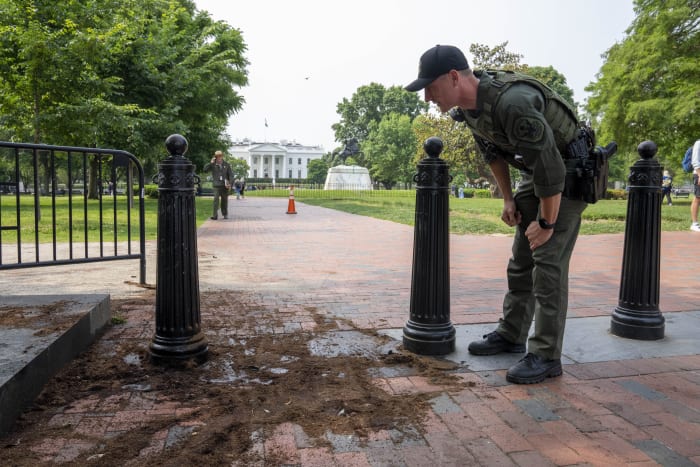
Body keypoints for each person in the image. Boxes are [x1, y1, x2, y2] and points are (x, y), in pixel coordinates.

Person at [406, 44, 603, 384]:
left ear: (454, 77)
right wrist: (508, 200)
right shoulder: (467, 107)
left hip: (569, 175)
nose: (427, 97)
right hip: (536, 172)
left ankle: (545, 355)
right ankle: (512, 335)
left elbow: (552, 173)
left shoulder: (513, 103)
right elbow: (492, 152)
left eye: (430, 87)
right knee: (521, 260)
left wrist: (546, 223)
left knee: (548, 263)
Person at [203, 150, 233, 220]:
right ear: (215, 157)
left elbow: (231, 175)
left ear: (222, 156)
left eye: (220, 156)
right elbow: (205, 170)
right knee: (216, 200)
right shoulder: (212, 164)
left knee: (224, 200)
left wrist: (230, 183)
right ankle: (215, 215)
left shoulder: (226, 164)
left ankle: (225, 214)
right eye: (217, 157)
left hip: (224, 185)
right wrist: (210, 163)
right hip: (216, 185)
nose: (219, 158)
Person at [691, 139, 700, 232]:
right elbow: (695, 161)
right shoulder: (698, 143)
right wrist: (699, 174)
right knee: (698, 197)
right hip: (699, 173)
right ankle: (694, 223)